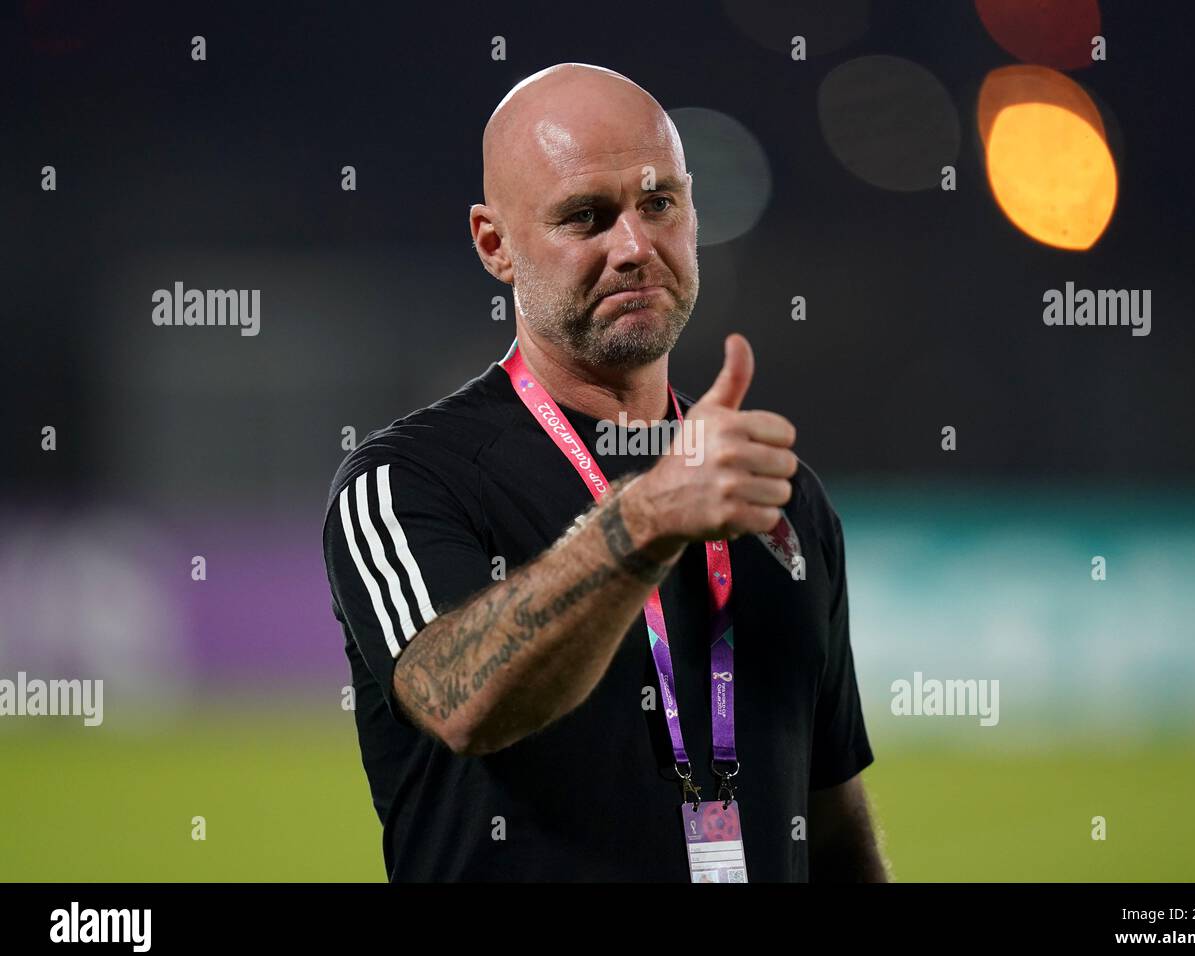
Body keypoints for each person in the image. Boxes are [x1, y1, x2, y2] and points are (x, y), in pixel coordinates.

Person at [322, 62, 889, 882]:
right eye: (585, 217)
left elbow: (836, 833)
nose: (633, 247)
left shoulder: (779, 492)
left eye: (659, 204)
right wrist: (643, 520)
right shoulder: (408, 481)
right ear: (495, 245)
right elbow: (458, 699)